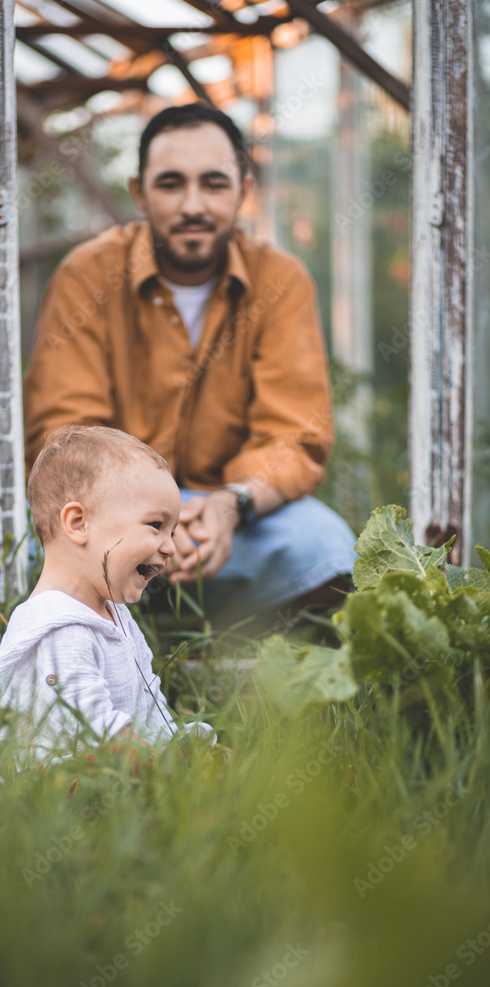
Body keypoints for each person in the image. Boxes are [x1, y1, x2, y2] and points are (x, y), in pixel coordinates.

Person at [23, 103, 356, 621]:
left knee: (328, 548)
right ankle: (121, 634)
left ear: (245, 191)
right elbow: (65, 436)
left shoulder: (281, 282)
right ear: (139, 192)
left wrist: (230, 504)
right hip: (106, 512)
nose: (193, 205)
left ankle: (248, 650)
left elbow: (295, 436)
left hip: (228, 516)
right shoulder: (87, 275)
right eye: (171, 184)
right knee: (36, 546)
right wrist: (149, 521)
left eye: (215, 184)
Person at [0, 425, 215, 763]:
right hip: (60, 783)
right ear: (78, 523)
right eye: (156, 526)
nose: (170, 546)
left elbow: (149, 703)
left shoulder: (117, 618)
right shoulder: (60, 628)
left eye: (172, 531)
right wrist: (160, 763)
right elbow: (89, 726)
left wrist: (174, 744)